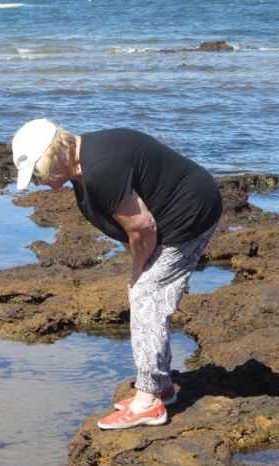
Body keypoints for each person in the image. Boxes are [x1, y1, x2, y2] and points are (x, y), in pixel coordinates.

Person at [12, 119, 222, 429]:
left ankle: (149, 402)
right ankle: (162, 386)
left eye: (36, 173)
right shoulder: (82, 172)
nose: (36, 182)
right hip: (164, 219)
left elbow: (142, 227)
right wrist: (140, 268)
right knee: (143, 292)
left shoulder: (101, 169)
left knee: (146, 297)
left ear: (53, 158)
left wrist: (140, 271)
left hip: (190, 212)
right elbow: (127, 229)